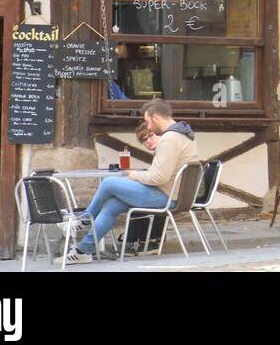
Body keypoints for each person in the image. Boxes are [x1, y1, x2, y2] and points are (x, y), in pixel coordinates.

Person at [58, 99, 200, 266]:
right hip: (174, 194)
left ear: (155, 117)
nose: (147, 127)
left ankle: (84, 220)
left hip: (166, 196)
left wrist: (135, 175)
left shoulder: (169, 139)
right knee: (111, 205)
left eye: (147, 121)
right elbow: (162, 175)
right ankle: (84, 251)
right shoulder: (185, 134)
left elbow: (159, 178)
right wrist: (142, 175)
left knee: (109, 183)